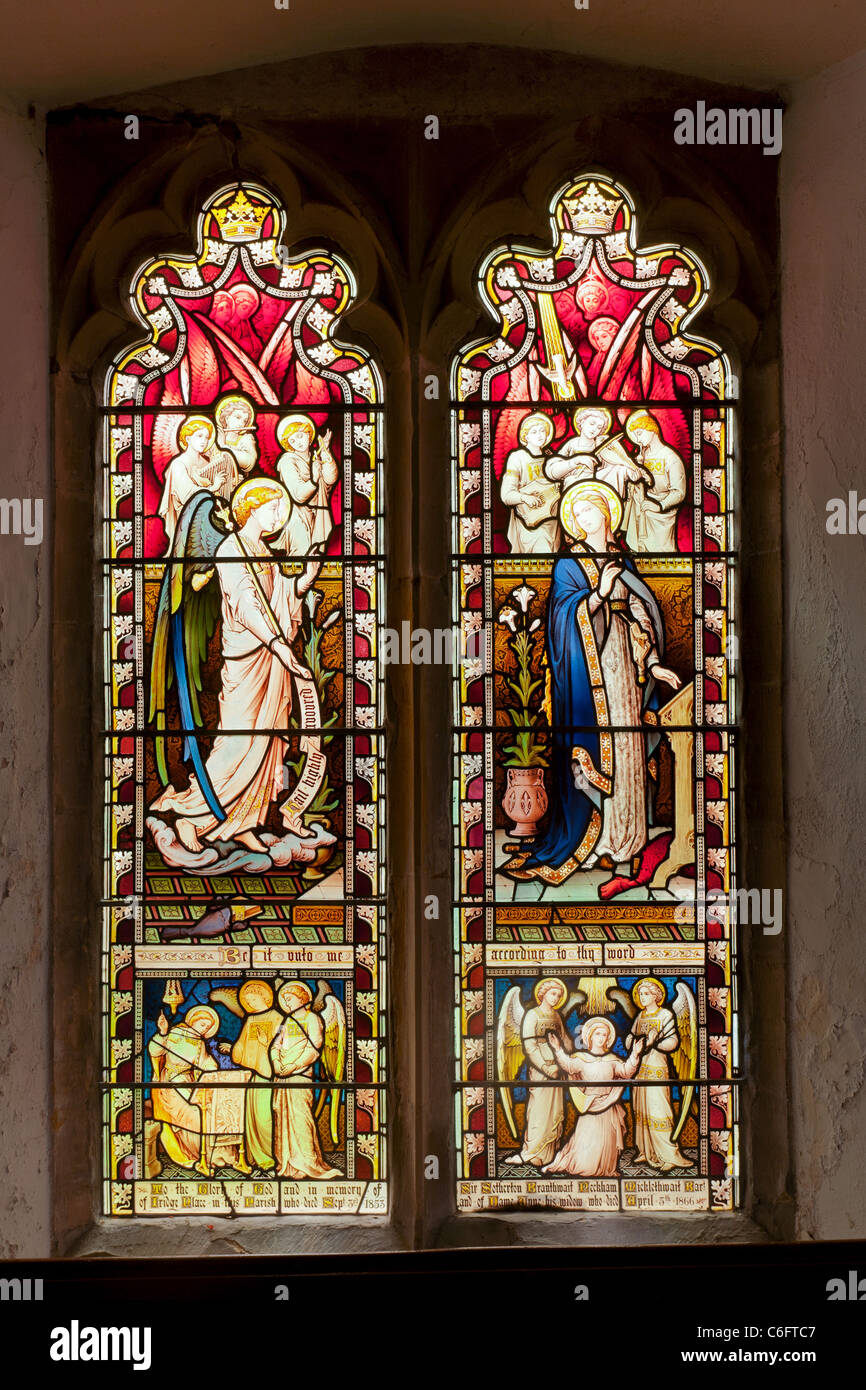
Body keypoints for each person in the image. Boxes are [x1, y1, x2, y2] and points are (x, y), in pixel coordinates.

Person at [506, 481, 681, 885]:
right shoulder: (568, 564)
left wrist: (652, 663)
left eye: (591, 511)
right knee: (599, 748)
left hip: (626, 672)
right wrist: (598, 594)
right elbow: (562, 622)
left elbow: (642, 615)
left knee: (628, 747)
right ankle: (594, 841)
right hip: (588, 673)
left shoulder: (625, 560)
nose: (584, 520)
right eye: (578, 514)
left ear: (607, 513)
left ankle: (626, 840)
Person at [150, 479, 320, 852]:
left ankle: (242, 821)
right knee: (237, 744)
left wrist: (304, 580)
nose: (279, 514)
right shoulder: (231, 548)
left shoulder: (263, 550)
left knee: (267, 741)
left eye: (281, 508)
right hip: (248, 658)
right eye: (273, 507)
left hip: (271, 659)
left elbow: (280, 600)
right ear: (252, 509)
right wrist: (278, 645)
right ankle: (191, 817)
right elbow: (246, 604)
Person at [148, 1004, 246, 1175]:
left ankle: (217, 1155)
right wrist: (163, 1032)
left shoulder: (199, 1043)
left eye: (208, 1027)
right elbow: (155, 1050)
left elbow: (206, 1062)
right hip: (170, 1083)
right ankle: (198, 1154)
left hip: (190, 1081)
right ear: (193, 1020)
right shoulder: (174, 1033)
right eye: (203, 1024)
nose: (205, 1029)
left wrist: (214, 1070)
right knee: (195, 1114)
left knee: (214, 1110)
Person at [543, 1016, 645, 1177]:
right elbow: (568, 1066)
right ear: (590, 1036)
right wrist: (557, 1049)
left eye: (604, 1035)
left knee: (607, 1143)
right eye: (597, 1034)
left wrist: (635, 1053)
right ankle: (586, 1167)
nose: (601, 1037)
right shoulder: (582, 1059)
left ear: (608, 1038)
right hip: (589, 1105)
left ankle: (606, 1169)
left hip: (608, 1105)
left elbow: (626, 1071)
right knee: (587, 1145)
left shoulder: (612, 1060)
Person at [269, 983, 342, 1179]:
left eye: (289, 998)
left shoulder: (312, 1018)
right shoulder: (287, 1020)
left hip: (300, 1074)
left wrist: (292, 1067)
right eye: (284, 999)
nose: (286, 1001)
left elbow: (314, 1048)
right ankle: (288, 1164)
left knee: (301, 1118)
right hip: (281, 1076)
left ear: (302, 998)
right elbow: (276, 1045)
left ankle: (308, 1162)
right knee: (281, 1118)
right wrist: (276, 1063)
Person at [214, 980, 284, 1171]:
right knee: (251, 1117)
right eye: (247, 1000)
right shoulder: (251, 1019)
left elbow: (283, 1046)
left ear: (264, 997)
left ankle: (272, 1156)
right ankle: (257, 1158)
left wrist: (266, 1043)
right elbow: (242, 1048)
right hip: (255, 1074)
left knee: (264, 1117)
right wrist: (232, 1049)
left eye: (253, 998)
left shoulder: (278, 1017)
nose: (250, 1002)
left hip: (269, 1074)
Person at [503, 978, 572, 1168]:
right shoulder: (532, 1015)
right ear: (542, 994)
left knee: (556, 1112)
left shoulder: (556, 1016)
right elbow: (530, 1046)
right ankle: (531, 1151)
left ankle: (548, 1154)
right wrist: (545, 1067)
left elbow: (565, 1040)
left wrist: (568, 1058)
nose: (556, 997)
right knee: (538, 1112)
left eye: (559, 995)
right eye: (553, 993)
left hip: (557, 1070)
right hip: (542, 1071)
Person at [626, 978, 693, 1170]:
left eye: (646, 993)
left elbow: (673, 1042)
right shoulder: (640, 1016)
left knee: (659, 1110)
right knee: (642, 1110)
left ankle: (668, 1155)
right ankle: (646, 1151)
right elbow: (631, 1037)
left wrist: (654, 1043)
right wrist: (635, 1044)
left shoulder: (665, 1015)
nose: (642, 997)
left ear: (656, 995)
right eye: (640, 994)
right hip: (640, 1069)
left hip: (657, 1069)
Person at [545, 406, 648, 501]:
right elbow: (553, 471)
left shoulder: (603, 446)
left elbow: (614, 467)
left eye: (599, 427)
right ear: (581, 422)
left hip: (598, 485)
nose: (594, 429)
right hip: (575, 486)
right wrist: (576, 461)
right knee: (572, 481)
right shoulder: (572, 444)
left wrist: (629, 472)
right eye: (592, 423)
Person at [273, 413, 338, 556]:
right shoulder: (287, 461)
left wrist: (325, 452)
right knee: (301, 556)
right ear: (288, 444)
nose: (298, 442)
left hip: (320, 513)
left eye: (300, 435)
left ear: (309, 435)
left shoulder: (316, 456)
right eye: (293, 440)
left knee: (320, 555)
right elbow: (298, 495)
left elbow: (330, 480)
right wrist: (313, 479)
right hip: (298, 517)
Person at [623, 410, 687, 553]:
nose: (638, 440)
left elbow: (679, 492)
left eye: (639, 433)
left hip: (662, 517)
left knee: (661, 555)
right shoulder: (640, 457)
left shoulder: (671, 458)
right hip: (640, 511)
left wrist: (659, 505)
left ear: (651, 428)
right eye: (635, 436)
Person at [500, 412, 560, 553]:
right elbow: (506, 494)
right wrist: (525, 498)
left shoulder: (552, 457)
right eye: (534, 432)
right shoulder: (517, 457)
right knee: (541, 548)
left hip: (553, 519)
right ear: (525, 436)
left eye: (542, 431)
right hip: (529, 522)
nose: (540, 435)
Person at [158, 415, 217, 552]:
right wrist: (213, 487)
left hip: (207, 517)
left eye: (206, 437)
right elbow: (187, 494)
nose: (204, 441)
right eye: (199, 436)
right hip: (186, 519)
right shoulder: (178, 464)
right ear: (188, 438)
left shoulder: (207, 463)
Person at [212, 394, 258, 495]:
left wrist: (223, 446)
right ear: (227, 418)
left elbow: (249, 463)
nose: (241, 423)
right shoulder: (213, 437)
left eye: (244, 421)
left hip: (237, 488)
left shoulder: (246, 439)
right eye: (238, 417)